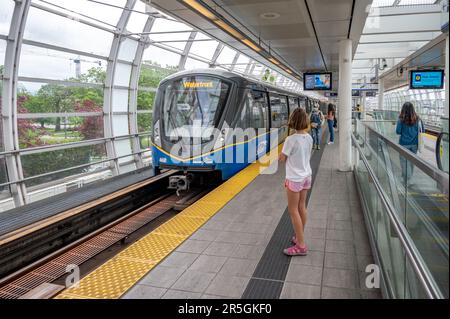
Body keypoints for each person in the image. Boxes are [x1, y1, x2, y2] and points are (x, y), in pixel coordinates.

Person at [279, 108, 312, 256]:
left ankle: (301, 245)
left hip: (294, 178)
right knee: (301, 207)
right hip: (306, 176)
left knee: (293, 211)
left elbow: (283, 159)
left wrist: (280, 156)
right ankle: (299, 237)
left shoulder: (290, 140)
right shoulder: (309, 138)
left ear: (292, 120)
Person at [396, 102, 424, 184]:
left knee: (404, 162)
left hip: (403, 144)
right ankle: (408, 177)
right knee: (411, 161)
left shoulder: (401, 119)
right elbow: (422, 130)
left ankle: (407, 178)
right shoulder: (418, 119)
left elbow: (398, 131)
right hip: (414, 144)